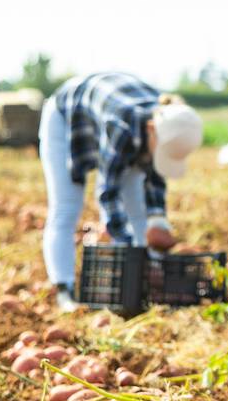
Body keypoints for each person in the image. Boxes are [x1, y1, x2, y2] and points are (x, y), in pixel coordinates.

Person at [39, 72, 203, 311]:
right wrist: (125, 247)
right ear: (150, 130)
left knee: (136, 207)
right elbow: (108, 191)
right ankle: (64, 289)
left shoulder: (167, 117)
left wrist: (158, 220)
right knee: (66, 206)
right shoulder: (122, 124)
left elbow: (156, 172)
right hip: (66, 117)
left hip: (111, 119)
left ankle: (144, 282)